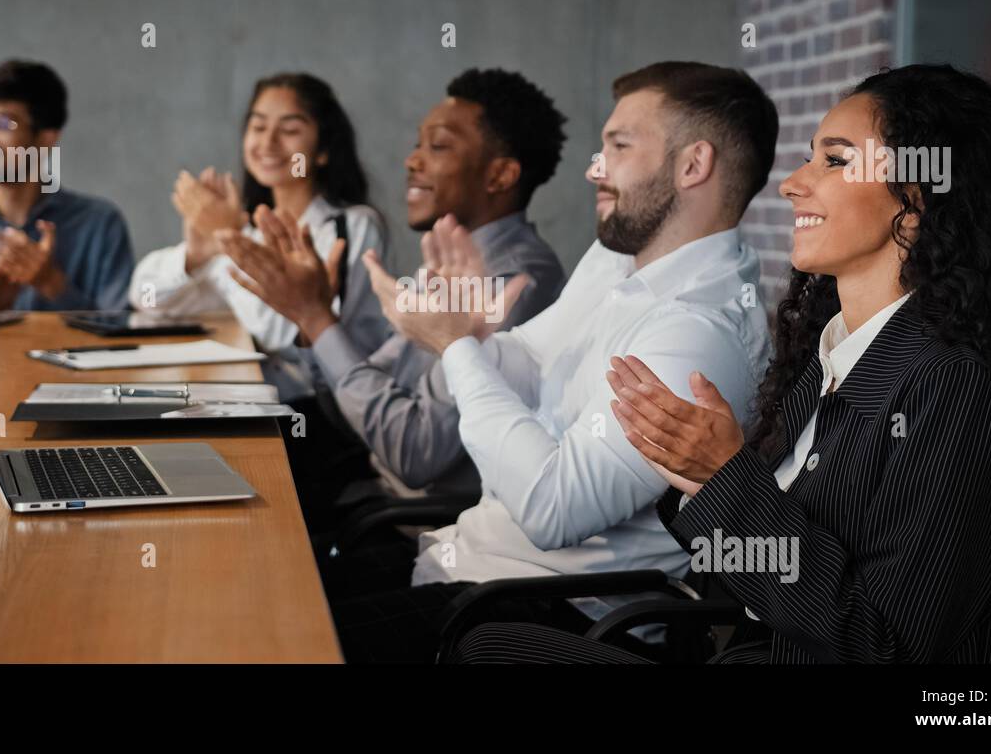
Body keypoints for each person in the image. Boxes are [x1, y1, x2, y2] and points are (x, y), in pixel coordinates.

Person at [457, 64, 991, 664]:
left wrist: (722, 480)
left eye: (836, 160)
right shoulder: (830, 350)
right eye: (807, 157)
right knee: (487, 641)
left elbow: (884, 644)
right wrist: (694, 477)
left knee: (488, 646)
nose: (794, 183)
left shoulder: (952, 385)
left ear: (919, 193)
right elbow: (741, 567)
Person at [326, 61, 780, 662]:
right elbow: (530, 362)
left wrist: (456, 346)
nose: (597, 168)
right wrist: (475, 336)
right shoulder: (617, 258)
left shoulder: (698, 334)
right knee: (267, 583)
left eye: (619, 146)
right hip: (466, 561)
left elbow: (553, 508)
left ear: (693, 165)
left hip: (538, 615)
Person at [220, 69, 568, 530]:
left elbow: (414, 453)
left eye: (438, 146)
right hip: (367, 487)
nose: (411, 161)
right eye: (417, 144)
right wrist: (314, 322)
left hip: (413, 530)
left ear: (500, 174)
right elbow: (358, 404)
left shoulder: (510, 279)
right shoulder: (449, 257)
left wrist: (318, 319)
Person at [128, 72, 387, 402]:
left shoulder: (350, 227)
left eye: (290, 130)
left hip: (329, 415)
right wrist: (197, 253)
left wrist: (227, 238)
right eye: (258, 127)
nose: (267, 144)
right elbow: (145, 296)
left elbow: (289, 336)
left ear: (323, 150)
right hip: (253, 402)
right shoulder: (249, 232)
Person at [0, 59, 134, 311]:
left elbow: (121, 335)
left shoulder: (99, 224)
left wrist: (53, 285)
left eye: (2, 123)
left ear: (46, 138)